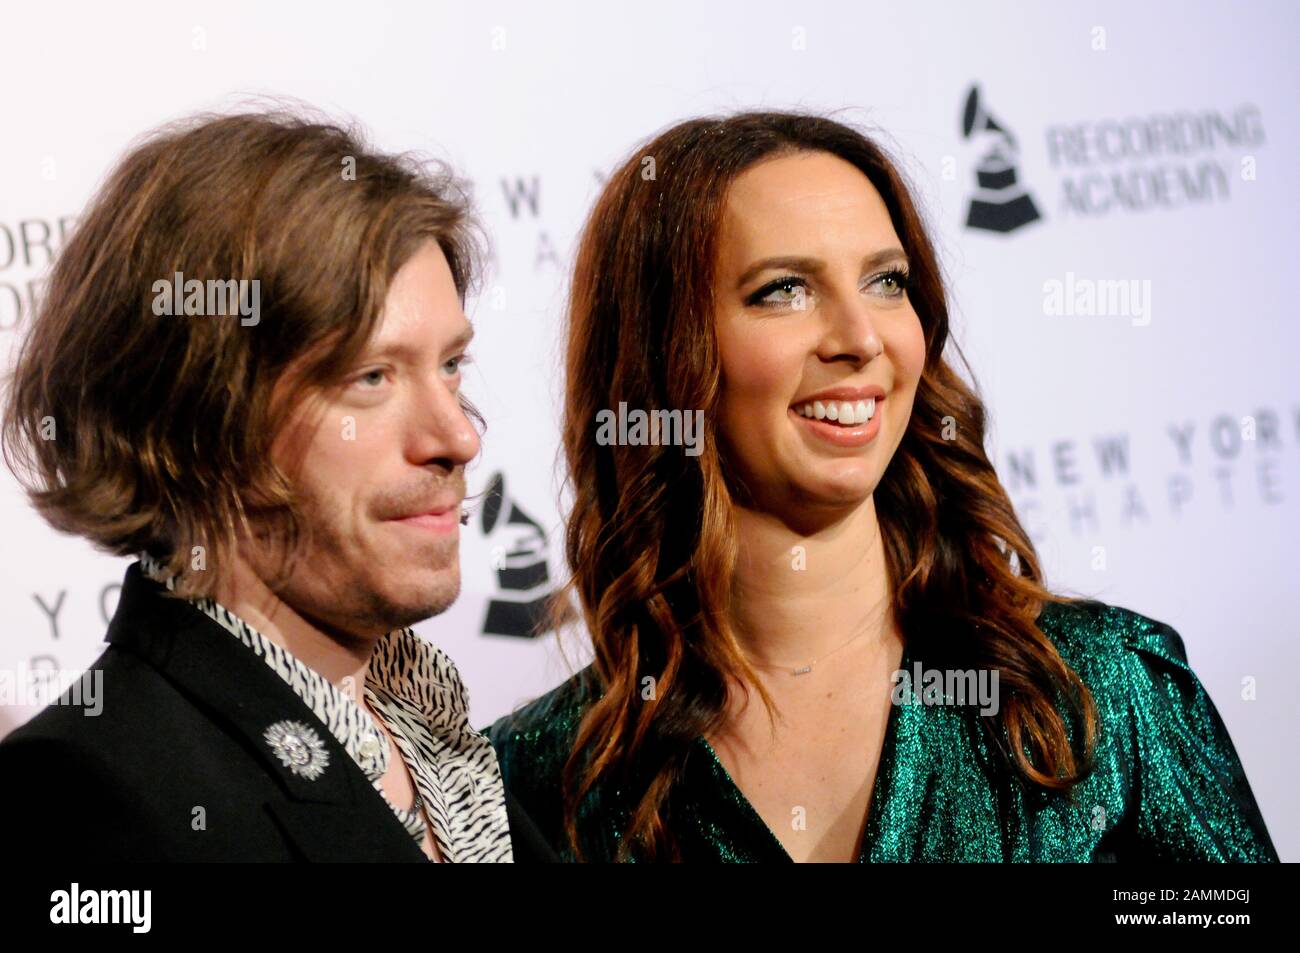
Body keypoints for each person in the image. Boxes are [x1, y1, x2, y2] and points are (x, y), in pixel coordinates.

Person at [486, 111, 1278, 863]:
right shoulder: (534, 784)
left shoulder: (1101, 690)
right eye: (784, 289)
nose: (862, 338)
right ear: (663, 354)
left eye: (887, 282)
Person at [0, 108, 555, 862]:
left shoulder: (443, 735)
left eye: (451, 365)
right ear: (200, 417)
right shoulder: (86, 789)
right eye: (371, 377)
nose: (458, 436)